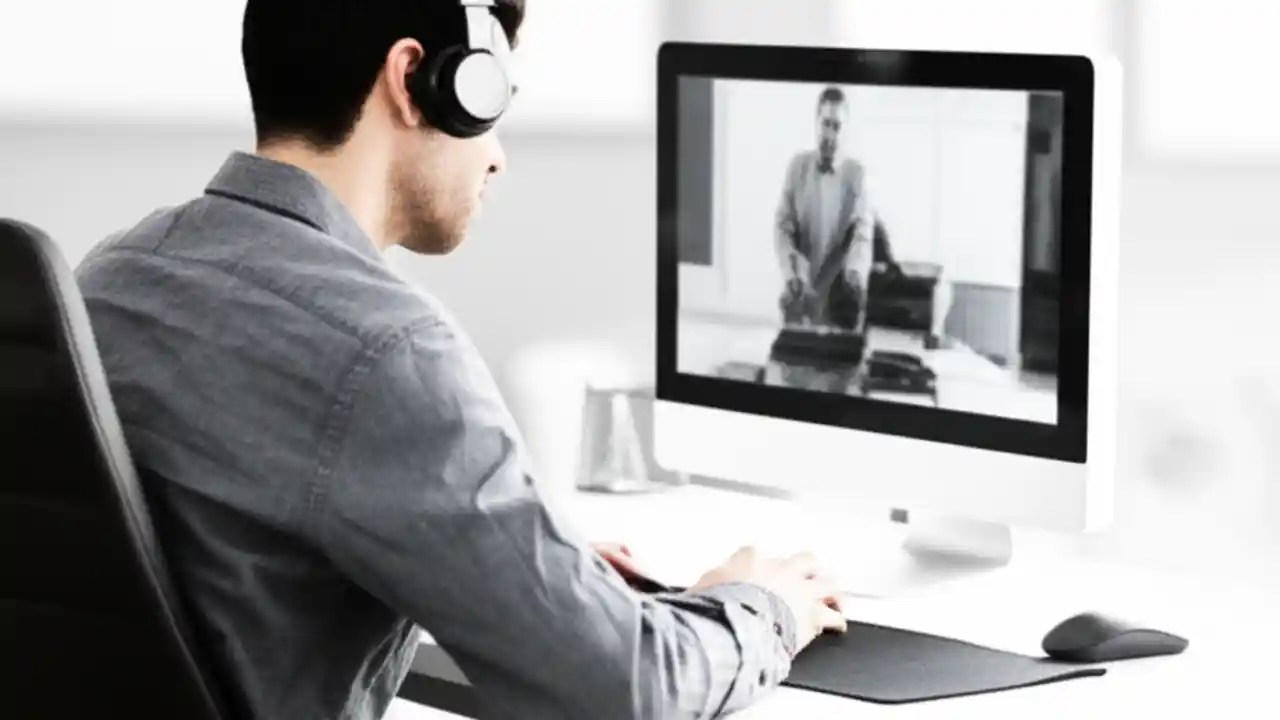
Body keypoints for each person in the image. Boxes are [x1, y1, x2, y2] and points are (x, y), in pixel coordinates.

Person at [73, 2, 846, 719]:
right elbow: (633, 690)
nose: (498, 157)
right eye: (496, 102)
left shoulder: (112, 276)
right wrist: (759, 604)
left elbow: (236, 570)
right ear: (414, 82)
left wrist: (511, 574)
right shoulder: (385, 352)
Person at [775, 86, 874, 332]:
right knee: (793, 363)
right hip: (801, 292)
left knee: (839, 367)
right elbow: (782, 227)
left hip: (839, 299)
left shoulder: (857, 175)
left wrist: (855, 272)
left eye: (837, 126)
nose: (830, 134)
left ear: (845, 130)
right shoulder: (797, 167)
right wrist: (792, 272)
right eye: (826, 123)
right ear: (816, 123)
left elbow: (863, 233)